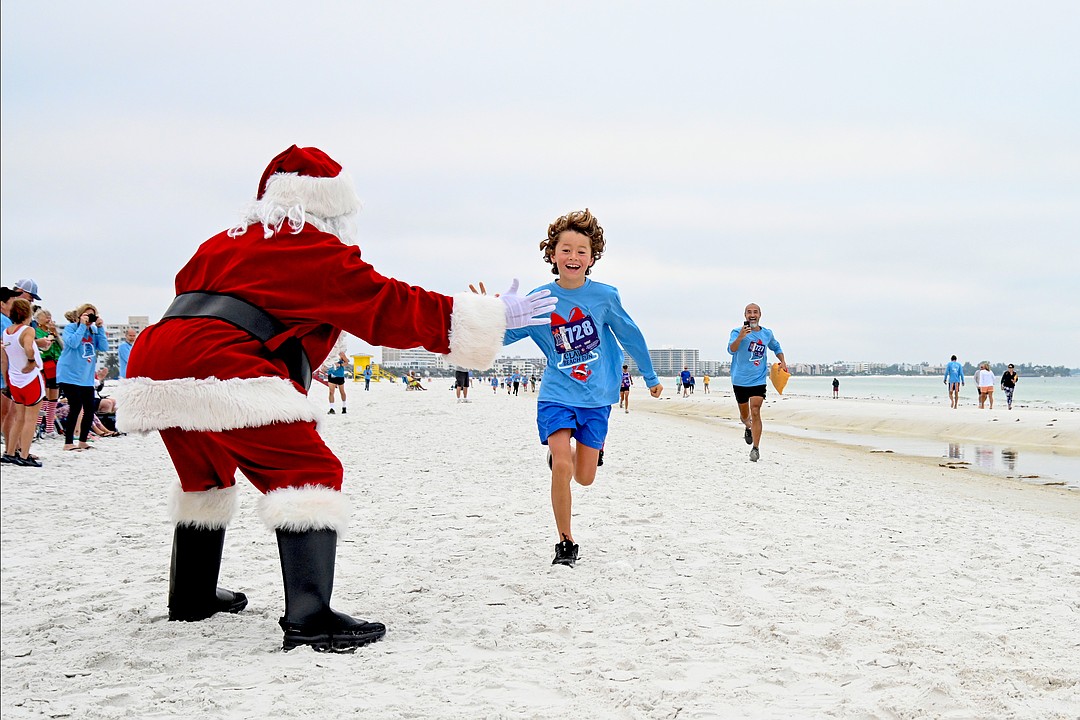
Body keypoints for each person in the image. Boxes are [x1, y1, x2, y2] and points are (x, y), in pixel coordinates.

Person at [118, 145, 555, 653]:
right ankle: (310, 618)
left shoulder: (222, 242)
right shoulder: (311, 248)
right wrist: (490, 316)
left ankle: (191, 595)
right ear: (333, 208)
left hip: (156, 360)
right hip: (222, 363)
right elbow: (386, 305)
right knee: (308, 471)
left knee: (205, 474)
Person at [499, 208, 663, 568]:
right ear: (552, 254)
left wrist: (650, 377)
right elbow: (504, 335)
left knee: (585, 477)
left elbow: (630, 336)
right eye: (566, 249)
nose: (573, 256)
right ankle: (565, 541)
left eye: (581, 251)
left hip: (596, 397)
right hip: (557, 394)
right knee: (561, 465)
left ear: (591, 258)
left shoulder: (604, 297)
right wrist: (496, 313)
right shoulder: (540, 299)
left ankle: (583, 455)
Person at [728, 303, 787, 463]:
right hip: (740, 380)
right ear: (745, 315)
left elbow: (776, 347)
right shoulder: (736, 332)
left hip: (758, 379)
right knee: (745, 416)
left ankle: (755, 448)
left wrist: (782, 361)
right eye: (749, 312)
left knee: (755, 411)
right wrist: (741, 336)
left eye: (755, 312)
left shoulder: (767, 333)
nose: (752, 315)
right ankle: (748, 426)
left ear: (760, 315)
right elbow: (731, 350)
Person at [56, 303, 109, 451]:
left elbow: (103, 347)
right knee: (76, 406)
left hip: (86, 377)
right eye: (87, 315)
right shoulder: (71, 328)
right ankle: (68, 442)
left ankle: (83, 441)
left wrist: (100, 328)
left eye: (92, 315)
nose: (90, 318)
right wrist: (82, 326)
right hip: (68, 374)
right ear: (79, 316)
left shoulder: (93, 331)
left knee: (89, 409)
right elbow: (73, 343)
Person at [1, 298, 46, 466]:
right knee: (30, 419)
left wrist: (7, 381)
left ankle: (10, 452)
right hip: (30, 380)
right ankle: (25, 455)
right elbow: (28, 347)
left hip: (15, 380)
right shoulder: (27, 330)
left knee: (19, 418)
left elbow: (4, 360)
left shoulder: (7, 332)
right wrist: (31, 361)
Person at [34, 308, 63, 436]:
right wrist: (51, 336)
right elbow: (45, 347)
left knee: (54, 397)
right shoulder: (36, 332)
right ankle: (38, 426)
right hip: (44, 364)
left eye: (49, 316)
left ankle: (50, 428)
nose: (48, 318)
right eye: (45, 316)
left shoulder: (52, 332)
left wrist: (55, 334)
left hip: (55, 364)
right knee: (44, 397)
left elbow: (62, 347)